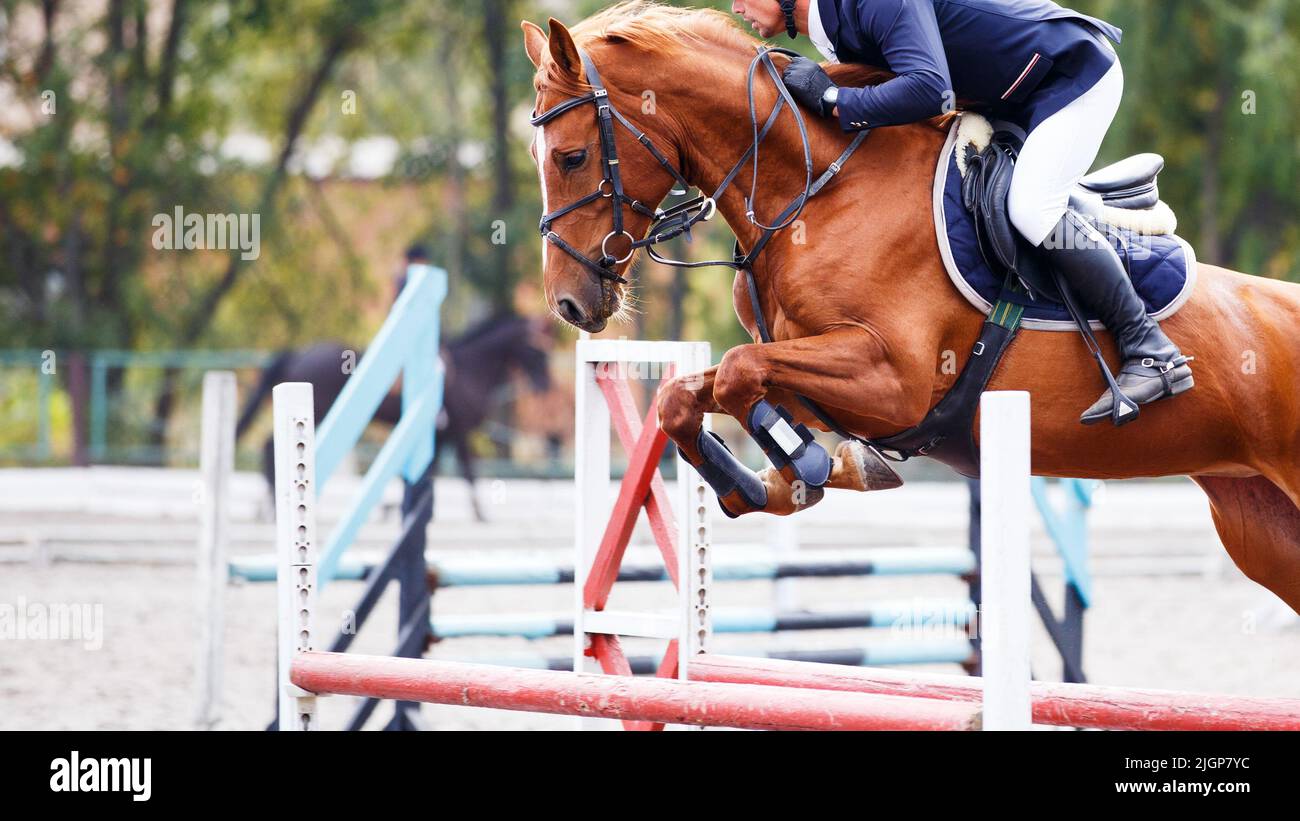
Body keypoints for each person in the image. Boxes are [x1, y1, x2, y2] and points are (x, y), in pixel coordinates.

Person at [731, 0, 1193, 424]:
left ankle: (1149, 347)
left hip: (1070, 80)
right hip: (1006, 96)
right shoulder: (829, 28)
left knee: (1031, 209)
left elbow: (930, 89)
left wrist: (834, 100)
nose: (736, 7)